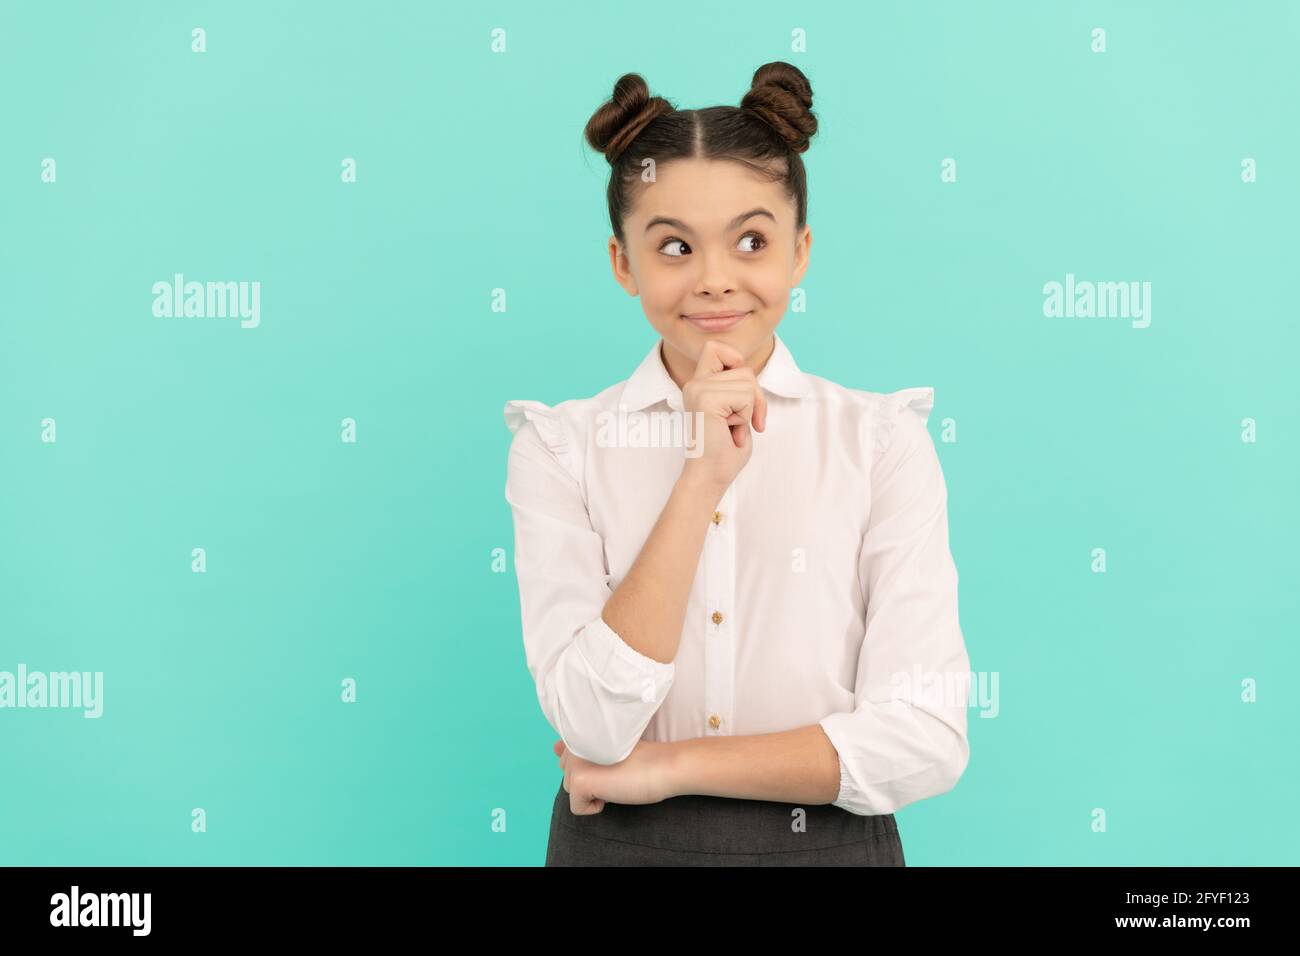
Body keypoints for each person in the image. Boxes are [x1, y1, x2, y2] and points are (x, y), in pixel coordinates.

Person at [502, 62, 971, 866]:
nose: (715, 278)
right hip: (616, 846)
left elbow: (923, 736)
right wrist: (701, 479)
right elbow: (590, 720)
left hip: (827, 844)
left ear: (799, 253)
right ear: (624, 263)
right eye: (675, 246)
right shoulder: (559, 448)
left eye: (751, 241)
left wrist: (667, 768)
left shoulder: (881, 441)